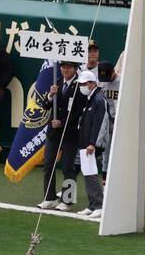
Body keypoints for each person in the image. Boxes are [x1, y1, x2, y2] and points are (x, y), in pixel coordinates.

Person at [39, 58, 82, 210]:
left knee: (68, 167)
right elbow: (45, 105)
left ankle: (67, 201)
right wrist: (50, 95)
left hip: (70, 133)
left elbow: (78, 112)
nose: (66, 70)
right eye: (64, 67)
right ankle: (49, 198)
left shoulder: (80, 86)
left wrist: (62, 122)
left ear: (76, 69)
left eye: (70, 67)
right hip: (53, 133)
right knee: (48, 164)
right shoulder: (56, 82)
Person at [74, 69, 107, 220]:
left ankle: (99, 205)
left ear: (92, 83)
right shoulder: (91, 99)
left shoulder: (99, 100)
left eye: (83, 84)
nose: (81, 86)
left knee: (92, 174)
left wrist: (92, 143)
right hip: (85, 143)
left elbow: (100, 124)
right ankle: (92, 204)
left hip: (91, 144)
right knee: (87, 173)